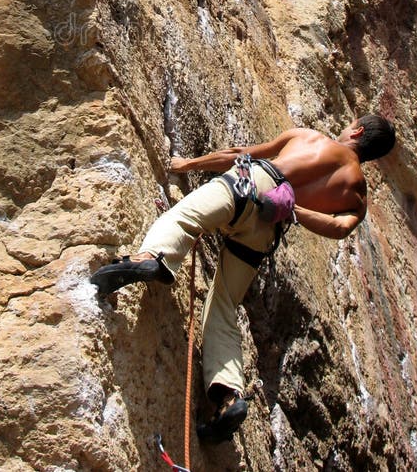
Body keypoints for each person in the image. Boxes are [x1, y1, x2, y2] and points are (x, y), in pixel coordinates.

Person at [90, 114, 396, 442]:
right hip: (269, 224)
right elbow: (339, 229)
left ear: (358, 130)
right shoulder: (358, 195)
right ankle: (228, 395)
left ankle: (153, 258)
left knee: (184, 219)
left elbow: (239, 154)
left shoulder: (310, 138)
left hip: (251, 184)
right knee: (223, 303)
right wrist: (292, 210)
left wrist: (187, 164)